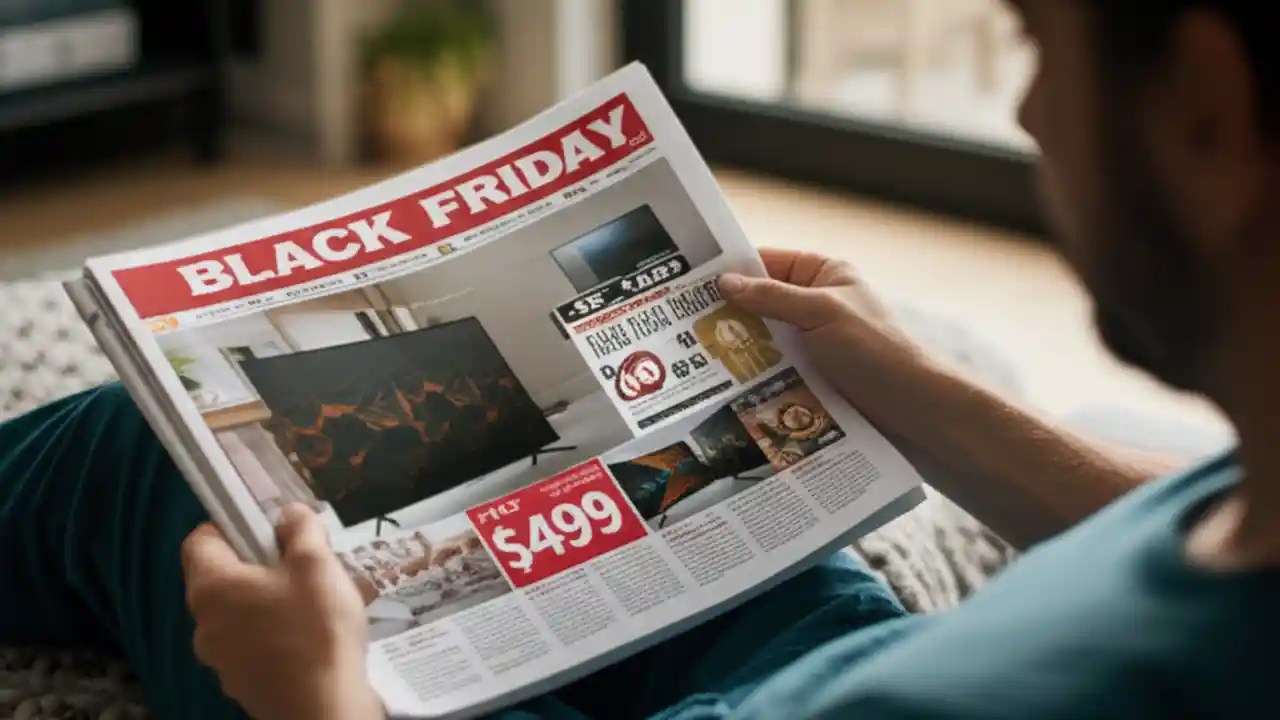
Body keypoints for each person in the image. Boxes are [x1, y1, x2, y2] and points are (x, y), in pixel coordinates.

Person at [2, 0, 1277, 717]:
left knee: (149, 464)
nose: (1024, 113)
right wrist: (921, 393)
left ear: (1207, 112)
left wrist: (313, 705)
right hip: (808, 646)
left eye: (1037, 46)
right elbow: (1218, 525)